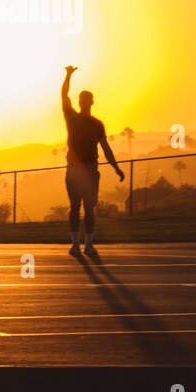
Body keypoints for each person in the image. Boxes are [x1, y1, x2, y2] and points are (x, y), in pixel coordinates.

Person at [60, 65, 124, 256]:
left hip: (89, 169)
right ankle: (75, 244)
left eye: (87, 100)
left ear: (92, 102)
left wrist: (116, 168)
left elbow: (106, 149)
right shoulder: (72, 117)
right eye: (82, 100)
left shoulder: (97, 125)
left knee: (88, 207)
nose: (85, 102)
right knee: (74, 207)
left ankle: (88, 244)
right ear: (80, 102)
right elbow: (64, 95)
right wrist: (68, 75)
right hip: (74, 169)